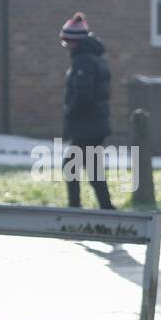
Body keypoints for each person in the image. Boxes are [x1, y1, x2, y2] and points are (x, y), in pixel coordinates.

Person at [60, 12, 114, 209]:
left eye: (66, 43)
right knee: (94, 171)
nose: (66, 48)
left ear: (74, 42)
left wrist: (70, 112)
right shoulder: (94, 58)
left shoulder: (83, 61)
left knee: (70, 167)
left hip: (87, 125)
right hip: (95, 124)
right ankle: (107, 211)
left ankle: (75, 209)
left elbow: (83, 94)